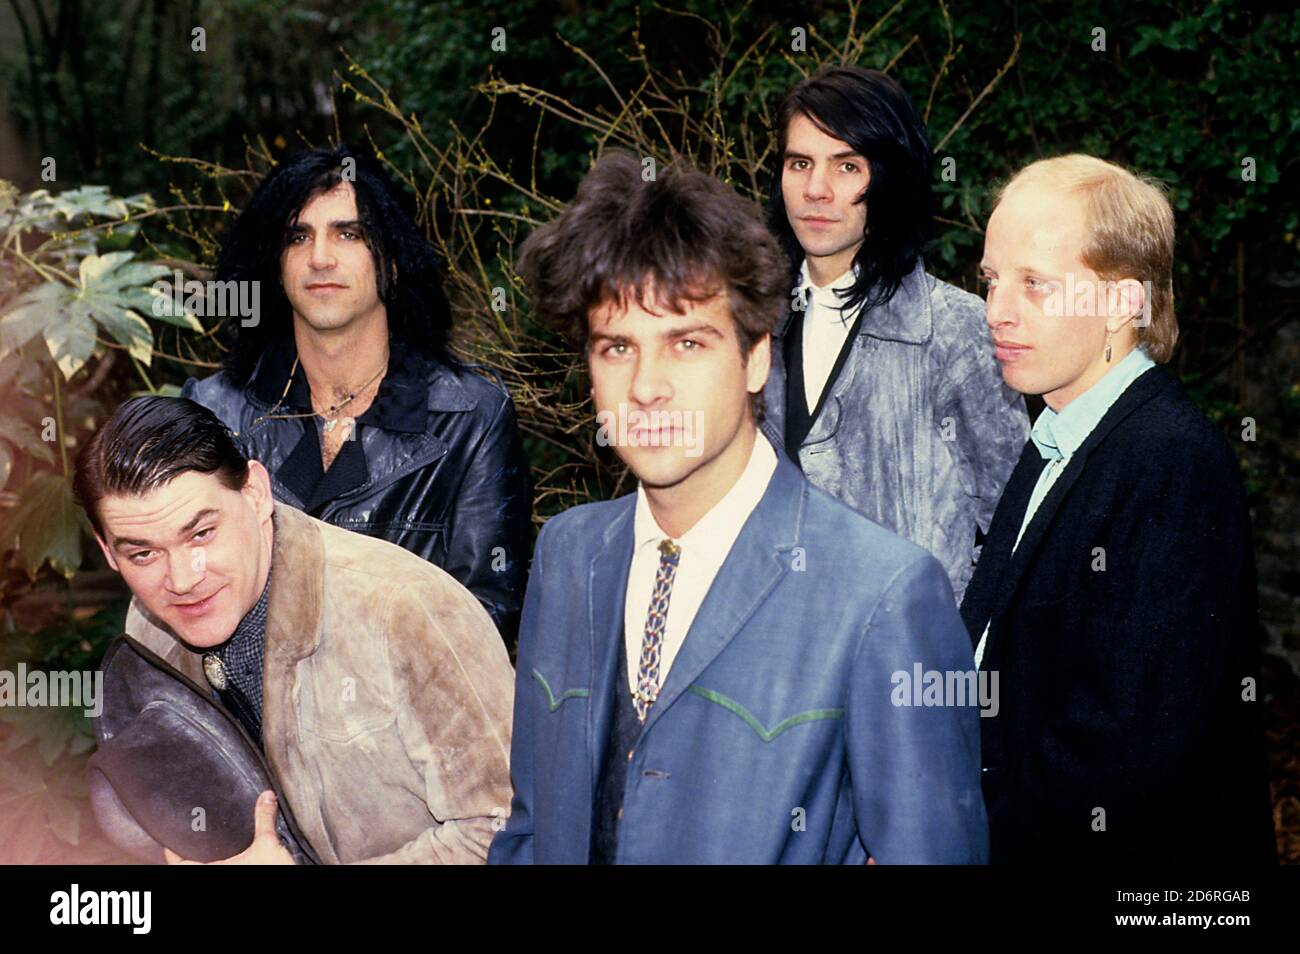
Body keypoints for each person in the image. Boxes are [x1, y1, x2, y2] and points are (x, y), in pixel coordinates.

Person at [489, 152, 988, 864]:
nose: (647, 386)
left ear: (757, 357)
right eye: (616, 347)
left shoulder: (883, 594)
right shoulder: (569, 554)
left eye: (687, 343)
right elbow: (531, 833)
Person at [963, 154, 1277, 863]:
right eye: (991, 280)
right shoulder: (1057, 432)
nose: (997, 311)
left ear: (1122, 303)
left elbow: (1121, 743)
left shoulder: (1170, 461)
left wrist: (966, 837)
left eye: (1035, 284)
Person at [74, 396, 516, 863]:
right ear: (107, 552)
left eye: (201, 533)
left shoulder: (404, 610)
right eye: (143, 554)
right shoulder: (149, 630)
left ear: (256, 494)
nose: (182, 579)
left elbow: (504, 832)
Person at [182, 145, 532, 645]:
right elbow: (188, 587)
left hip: (404, 717)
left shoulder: (470, 417)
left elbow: (483, 622)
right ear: (276, 267)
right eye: (298, 237)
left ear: (390, 259)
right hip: (246, 717)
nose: (320, 258)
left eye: (349, 234)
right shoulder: (215, 412)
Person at [763, 66, 1027, 603]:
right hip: (774, 664)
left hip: (906, 668)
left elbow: (1012, 529)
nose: (816, 189)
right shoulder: (746, 320)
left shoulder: (954, 330)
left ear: (887, 178)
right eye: (800, 163)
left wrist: (954, 644)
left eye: (847, 166)